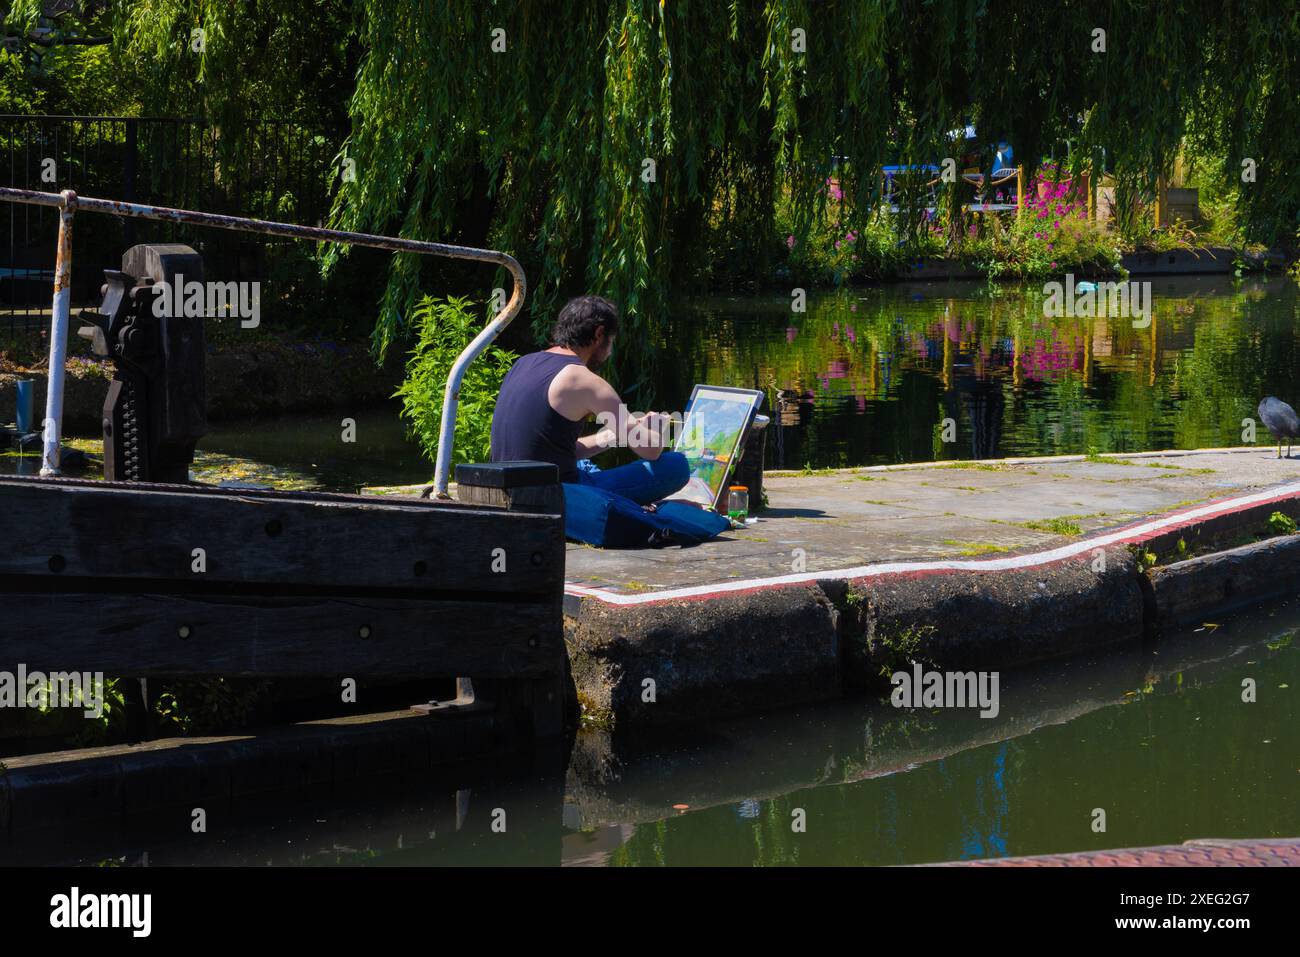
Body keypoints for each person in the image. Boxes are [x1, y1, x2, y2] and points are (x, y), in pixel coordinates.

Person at [489, 295, 689, 505]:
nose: (610, 352)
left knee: (584, 464)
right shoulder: (585, 380)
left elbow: (552, 451)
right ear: (599, 334)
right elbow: (651, 451)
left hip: (510, 488)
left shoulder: (523, 363)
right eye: (611, 341)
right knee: (676, 466)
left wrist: (614, 435)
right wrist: (657, 429)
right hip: (557, 496)